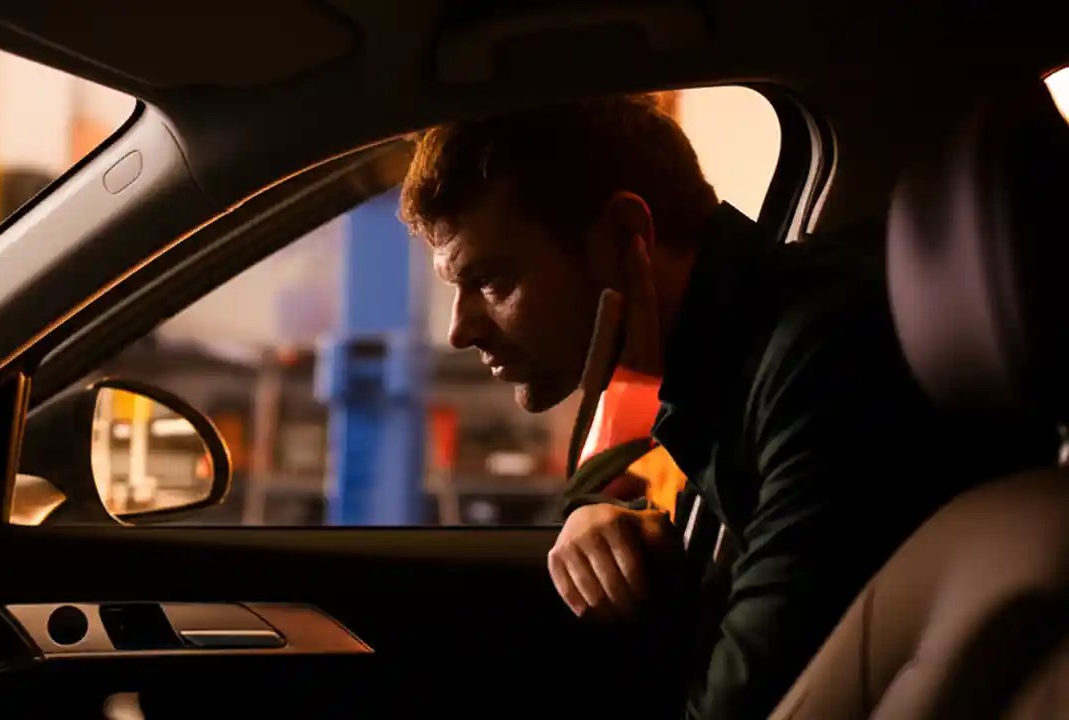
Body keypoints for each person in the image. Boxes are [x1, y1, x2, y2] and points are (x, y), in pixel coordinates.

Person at [397, 94, 1054, 718]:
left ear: (627, 234)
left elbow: (734, 706)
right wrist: (601, 506)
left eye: (491, 281)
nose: (460, 329)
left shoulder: (821, 367)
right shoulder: (716, 356)